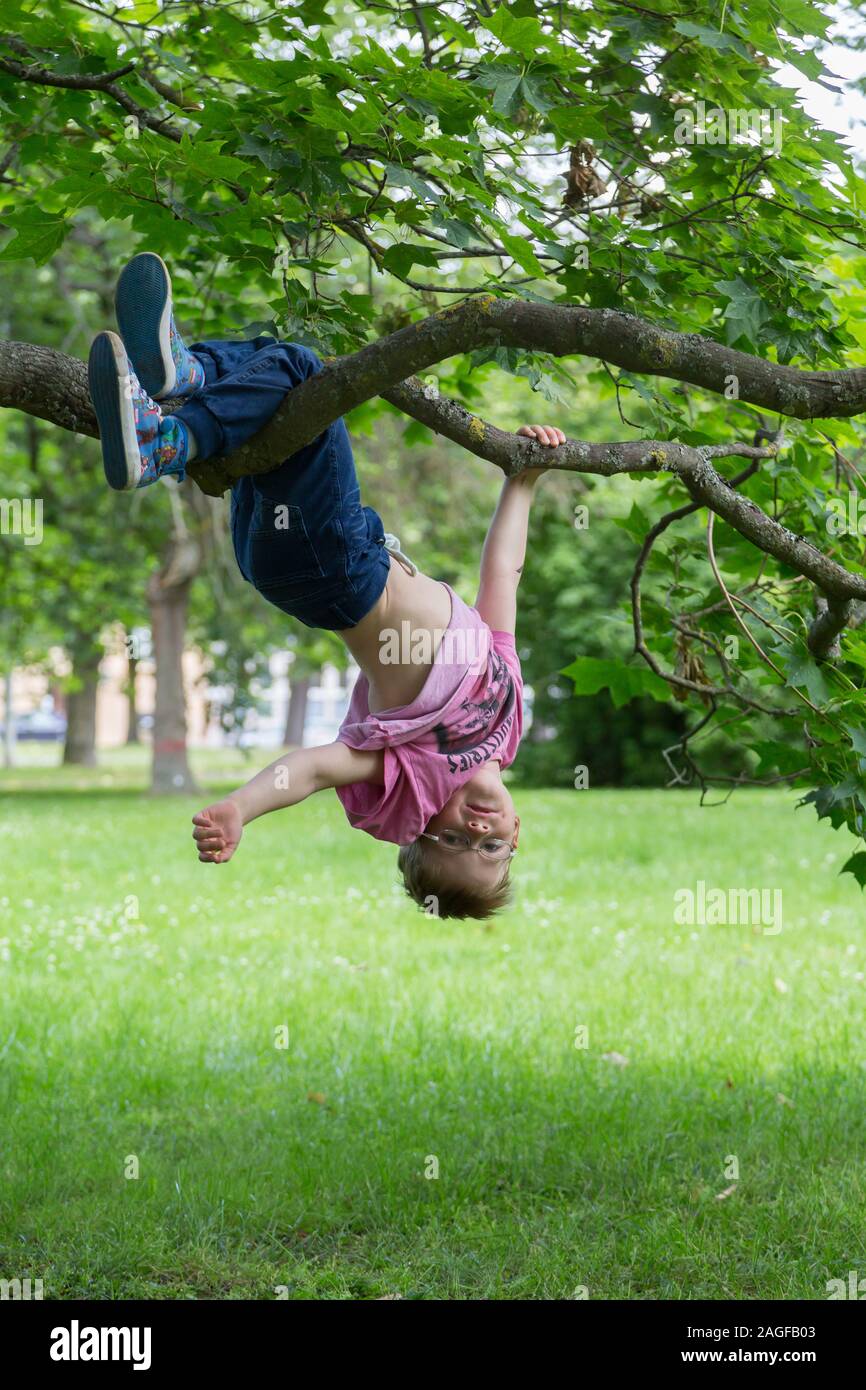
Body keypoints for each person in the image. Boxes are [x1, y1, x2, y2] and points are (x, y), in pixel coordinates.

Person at [88, 253, 566, 919]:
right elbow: (502, 580)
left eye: (453, 840)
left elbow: (312, 769)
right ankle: (187, 375)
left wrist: (242, 808)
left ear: (420, 824)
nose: (478, 831)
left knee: (304, 375)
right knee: (284, 392)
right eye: (491, 849)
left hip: (336, 573)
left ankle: (167, 438)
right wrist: (522, 480)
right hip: (316, 562)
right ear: (518, 835)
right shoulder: (509, 723)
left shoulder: (416, 774)